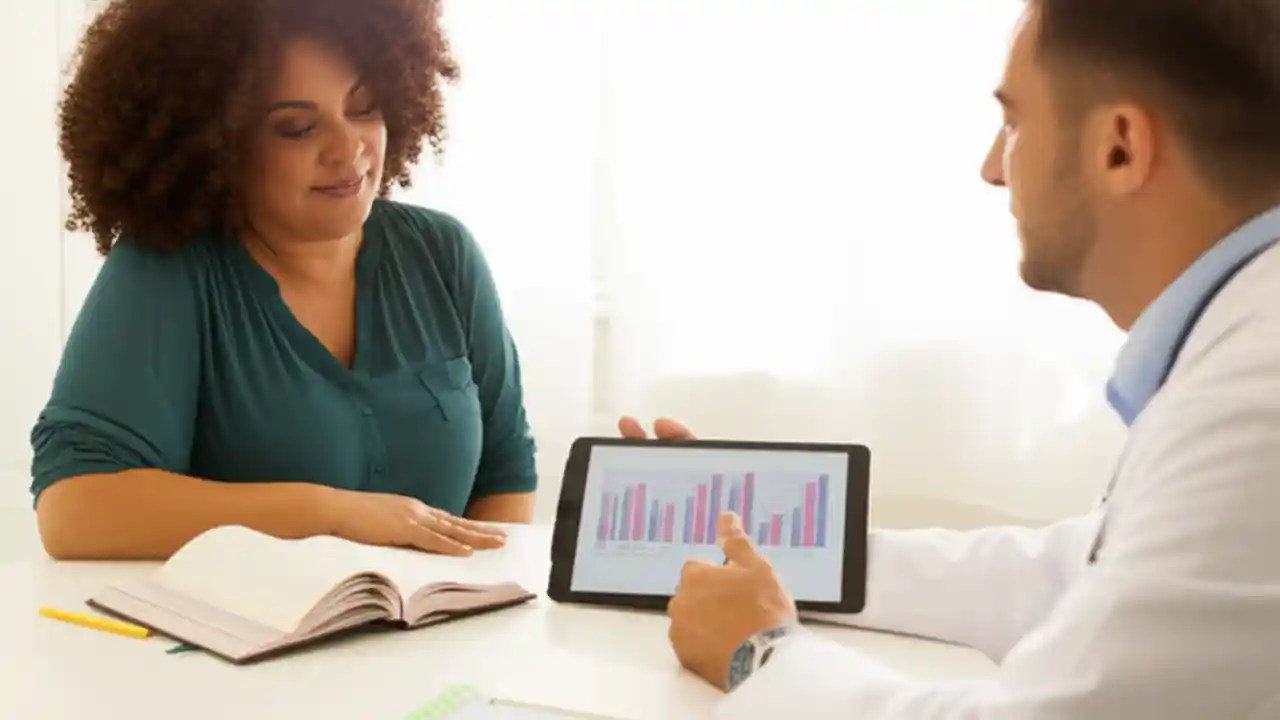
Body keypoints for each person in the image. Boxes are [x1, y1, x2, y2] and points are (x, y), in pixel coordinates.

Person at [621, 0, 1280, 716]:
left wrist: (761, 654)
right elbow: (1070, 571)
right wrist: (772, 551)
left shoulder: (1253, 403)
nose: (993, 168)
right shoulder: (1243, 348)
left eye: (1014, 122)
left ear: (1119, 146)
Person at [31, 0, 537, 561]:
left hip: (433, 618)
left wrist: (473, 591)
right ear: (218, 143)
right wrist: (329, 514)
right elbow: (74, 510)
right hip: (238, 621)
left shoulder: (444, 254)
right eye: (297, 128)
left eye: (364, 108)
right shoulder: (168, 270)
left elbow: (506, 472)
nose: (347, 149)